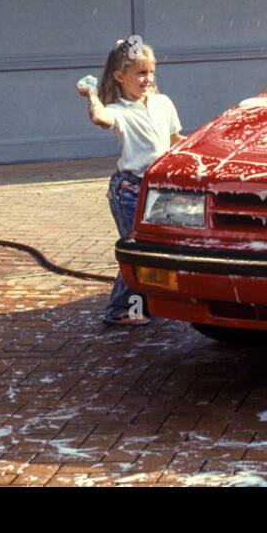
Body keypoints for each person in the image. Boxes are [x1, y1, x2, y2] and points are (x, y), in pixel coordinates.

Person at [79, 38, 185, 327]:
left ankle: (147, 301)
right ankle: (120, 308)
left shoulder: (163, 104)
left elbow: (175, 140)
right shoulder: (119, 111)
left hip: (157, 190)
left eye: (150, 72)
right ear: (119, 76)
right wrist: (91, 95)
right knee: (136, 250)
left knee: (157, 248)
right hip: (129, 190)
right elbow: (99, 118)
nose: (147, 79)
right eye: (139, 73)